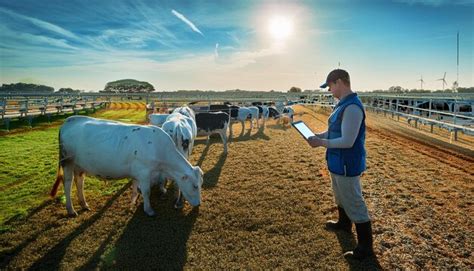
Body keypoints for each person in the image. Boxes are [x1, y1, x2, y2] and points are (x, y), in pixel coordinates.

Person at [307, 69, 374, 260]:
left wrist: (320, 143)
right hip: (337, 161)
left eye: (329, 86)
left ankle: (365, 247)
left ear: (339, 82)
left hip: (347, 162)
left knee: (354, 201)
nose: (329, 90)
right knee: (340, 196)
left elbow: (347, 141)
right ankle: (344, 224)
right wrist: (319, 136)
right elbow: (334, 131)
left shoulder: (352, 107)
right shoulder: (341, 105)